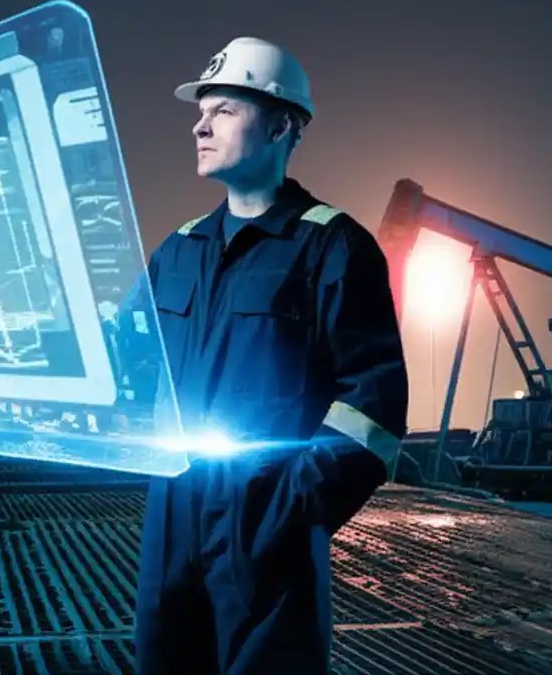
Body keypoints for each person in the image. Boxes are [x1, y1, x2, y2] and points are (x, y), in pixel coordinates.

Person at [130, 37, 410, 674]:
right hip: (171, 521)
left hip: (267, 535)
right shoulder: (178, 250)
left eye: (224, 111)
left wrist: (293, 507)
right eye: (201, 112)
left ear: (281, 126)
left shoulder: (332, 247)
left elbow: (373, 407)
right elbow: (127, 365)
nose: (200, 126)